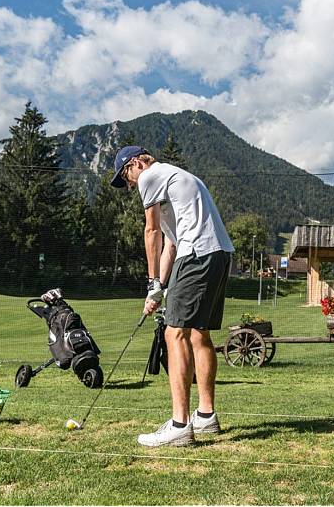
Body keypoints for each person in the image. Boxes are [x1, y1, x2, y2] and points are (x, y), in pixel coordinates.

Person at [109, 145, 235, 447]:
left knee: (173, 333)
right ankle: (206, 416)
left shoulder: (151, 175)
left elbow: (150, 231)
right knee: (198, 334)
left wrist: (151, 279)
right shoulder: (176, 179)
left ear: (137, 163)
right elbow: (170, 245)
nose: (129, 185)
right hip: (218, 254)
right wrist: (158, 288)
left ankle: (180, 425)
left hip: (197, 256)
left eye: (126, 176)